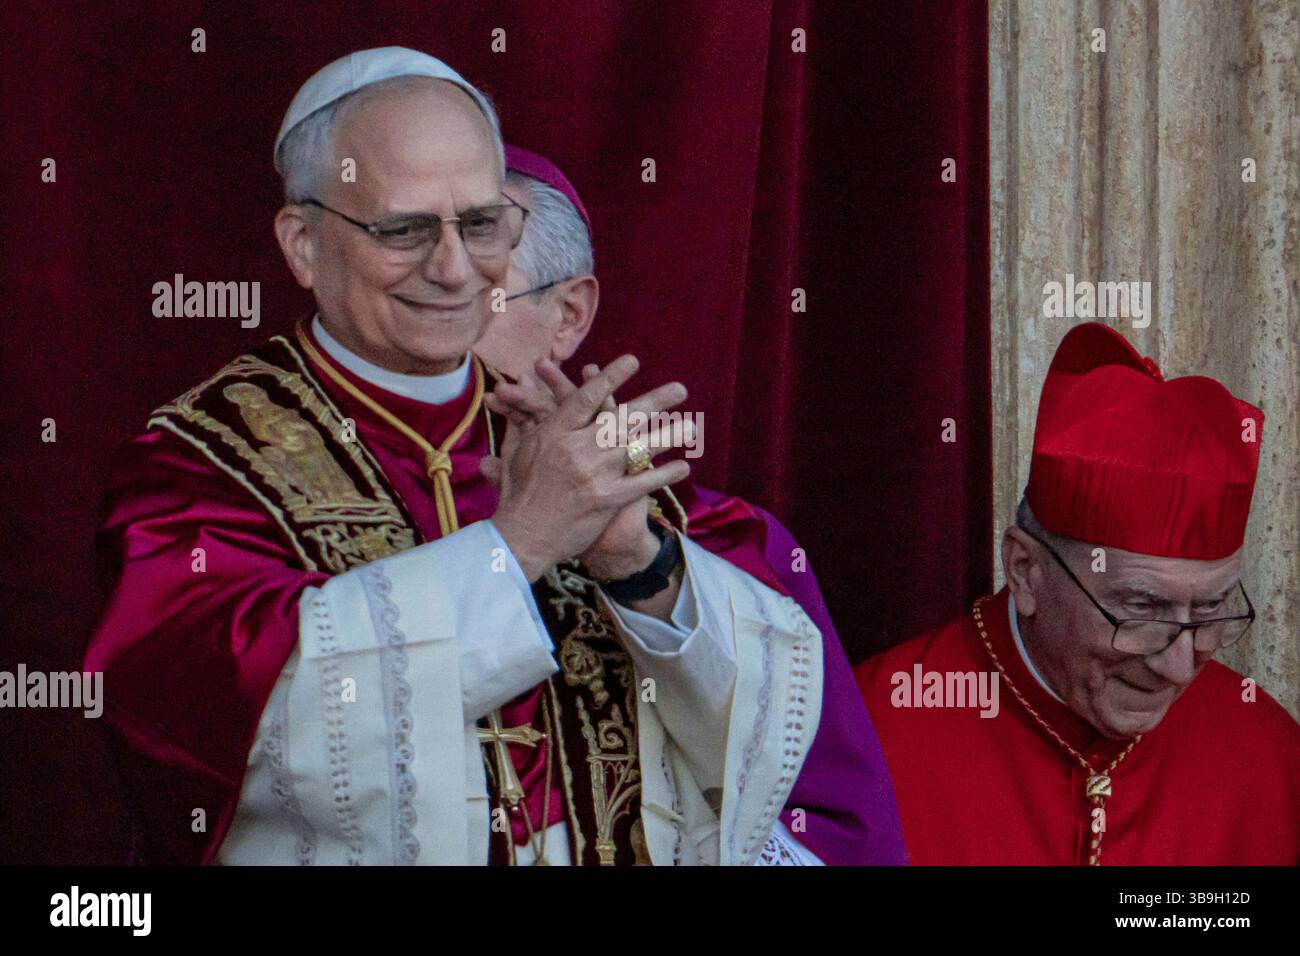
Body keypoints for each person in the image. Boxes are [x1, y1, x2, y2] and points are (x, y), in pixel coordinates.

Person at [84, 46, 892, 866]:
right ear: (302, 243)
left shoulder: (563, 433)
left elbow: (779, 750)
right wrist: (521, 546)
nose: (452, 268)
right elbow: (236, 734)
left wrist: (640, 568)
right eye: (403, 229)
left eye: (480, 224)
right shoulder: (203, 460)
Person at [471, 145, 905, 865]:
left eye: (477, 291)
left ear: (568, 314)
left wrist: (641, 572)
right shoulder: (287, 508)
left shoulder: (721, 546)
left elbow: (822, 831)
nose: (431, 318)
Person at [855, 322, 1300, 864]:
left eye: (1209, 608)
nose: (1180, 667)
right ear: (1025, 573)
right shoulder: (868, 738)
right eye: (1140, 608)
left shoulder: (1272, 758)